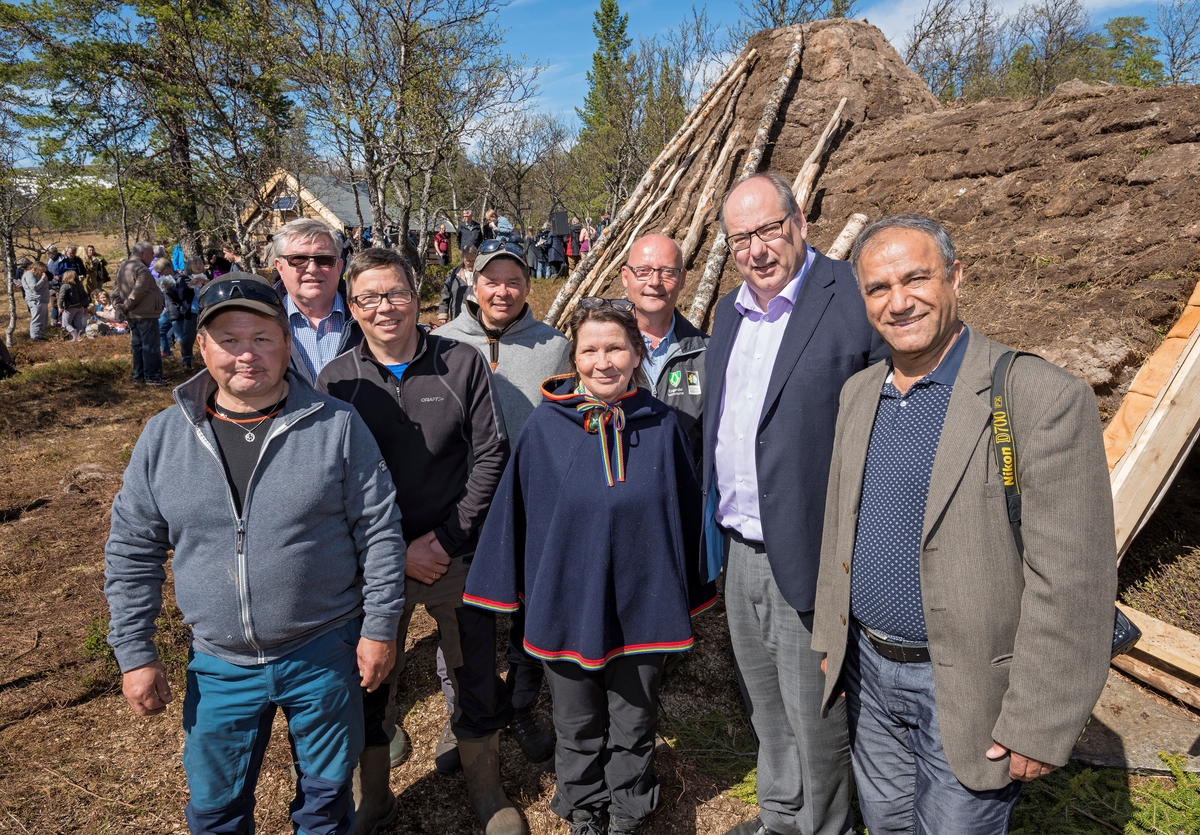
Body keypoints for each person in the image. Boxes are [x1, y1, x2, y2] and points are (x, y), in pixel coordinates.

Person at [811, 215, 1117, 834]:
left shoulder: (1037, 397)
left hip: (973, 687)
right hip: (869, 675)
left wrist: (1040, 717)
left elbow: (1073, 577)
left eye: (916, 278)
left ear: (956, 277)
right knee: (888, 823)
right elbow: (840, 530)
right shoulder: (861, 393)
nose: (899, 302)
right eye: (878, 288)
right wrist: (832, 645)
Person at [104, 271, 407, 834]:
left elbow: (380, 530)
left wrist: (380, 627)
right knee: (215, 810)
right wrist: (135, 651)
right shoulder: (164, 437)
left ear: (287, 343)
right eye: (230, 340)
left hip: (323, 651)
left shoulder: (336, 425)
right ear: (202, 346)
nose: (247, 355)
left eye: (262, 338)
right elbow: (131, 548)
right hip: (220, 664)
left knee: (324, 804)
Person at [465, 298, 717, 835]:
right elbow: (516, 511)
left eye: (616, 348)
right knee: (576, 719)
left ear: (636, 353)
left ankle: (629, 804)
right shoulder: (545, 428)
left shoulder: (663, 425)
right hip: (567, 598)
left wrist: (690, 584)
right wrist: (507, 586)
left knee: (633, 714)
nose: (604, 361)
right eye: (591, 350)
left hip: (641, 599)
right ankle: (583, 805)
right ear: (573, 357)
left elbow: (684, 510)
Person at [702, 172, 887, 835]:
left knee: (815, 711)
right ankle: (780, 816)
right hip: (740, 546)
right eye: (739, 237)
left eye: (768, 229)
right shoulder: (729, 311)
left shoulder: (850, 300)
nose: (756, 248)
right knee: (765, 701)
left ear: (799, 221)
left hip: (811, 546)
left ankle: (824, 826)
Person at [315, 247, 519, 835]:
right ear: (351, 307)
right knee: (370, 678)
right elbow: (334, 482)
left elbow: (490, 454)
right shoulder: (337, 380)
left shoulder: (461, 363)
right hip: (375, 562)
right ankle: (372, 797)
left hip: (455, 552)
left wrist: (447, 537)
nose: (385, 308)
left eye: (396, 294)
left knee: (476, 670)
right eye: (370, 298)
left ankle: (487, 788)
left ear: (417, 297)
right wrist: (394, 550)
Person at [438, 238, 571, 766]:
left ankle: (520, 703)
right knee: (460, 616)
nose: (503, 290)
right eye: (492, 279)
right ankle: (465, 716)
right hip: (462, 504)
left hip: (529, 503)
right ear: (475, 282)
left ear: (528, 285)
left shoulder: (554, 346)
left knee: (528, 612)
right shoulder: (443, 342)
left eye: (514, 280)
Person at [619, 234, 707, 468]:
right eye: (643, 270)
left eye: (667, 271)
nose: (655, 281)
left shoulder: (706, 354)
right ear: (625, 276)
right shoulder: (591, 353)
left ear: (682, 280)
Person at [271, 217, 362, 385]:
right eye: (298, 259)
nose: (312, 269)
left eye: (324, 259)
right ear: (280, 267)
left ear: (339, 266)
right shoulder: (261, 321)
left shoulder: (368, 315)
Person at [112, 241, 166, 385]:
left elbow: (116, 292)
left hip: (133, 314)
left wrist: (119, 306)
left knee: (138, 345)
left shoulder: (123, 267)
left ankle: (139, 376)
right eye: (151, 254)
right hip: (145, 313)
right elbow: (138, 292)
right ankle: (152, 377)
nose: (152, 257)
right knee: (150, 346)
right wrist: (124, 307)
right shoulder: (141, 269)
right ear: (142, 253)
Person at [438, 246, 477, 325]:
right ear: (463, 259)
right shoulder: (454, 273)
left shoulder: (483, 273)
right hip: (458, 312)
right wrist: (443, 313)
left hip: (477, 313)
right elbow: (446, 293)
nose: (471, 264)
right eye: (468, 261)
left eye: (474, 260)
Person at [20, 260, 49, 340]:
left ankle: (41, 335)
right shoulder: (29, 275)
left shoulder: (36, 275)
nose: (43, 272)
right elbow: (34, 287)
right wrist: (43, 279)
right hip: (35, 300)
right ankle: (35, 336)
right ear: (37, 268)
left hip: (42, 300)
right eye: (42, 270)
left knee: (43, 319)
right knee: (37, 319)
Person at [59, 270, 90, 341]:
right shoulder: (79, 285)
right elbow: (86, 296)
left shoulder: (65, 286)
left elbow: (61, 297)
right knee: (78, 322)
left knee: (65, 323)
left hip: (70, 307)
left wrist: (60, 306)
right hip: (80, 307)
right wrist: (85, 305)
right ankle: (82, 335)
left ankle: (75, 335)